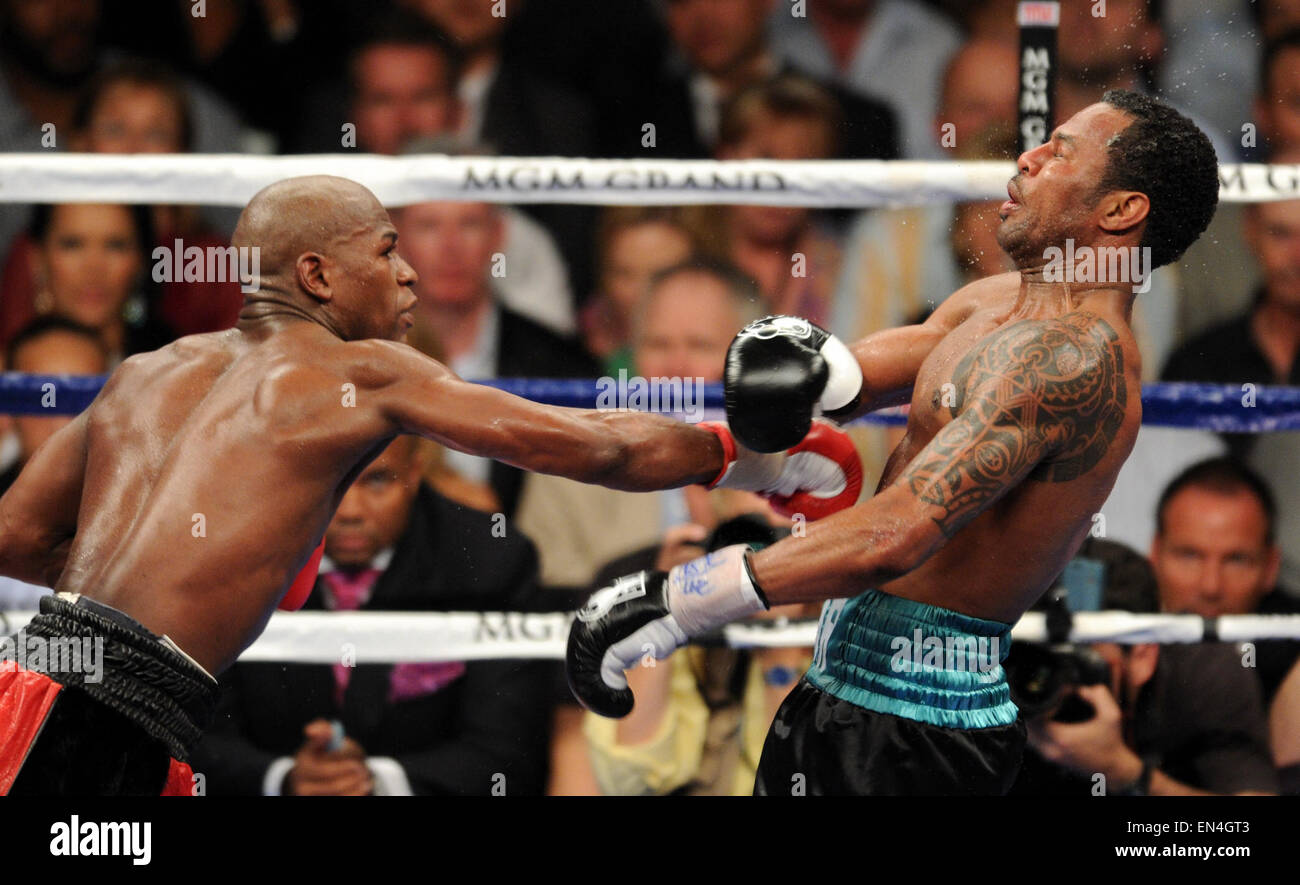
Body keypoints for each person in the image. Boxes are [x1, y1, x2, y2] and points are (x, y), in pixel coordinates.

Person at [0, 174, 859, 795]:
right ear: (316, 276)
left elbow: (15, 535)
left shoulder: (145, 371)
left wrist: (168, 577)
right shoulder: (365, 371)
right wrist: (756, 457)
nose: (409, 273)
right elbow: (597, 447)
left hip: (30, 678)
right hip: (110, 719)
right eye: (386, 251)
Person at [567, 89, 1221, 796]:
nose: (1027, 158)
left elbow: (896, 535)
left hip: (919, 730)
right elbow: (847, 381)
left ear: (1121, 211)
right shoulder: (996, 303)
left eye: (1060, 153)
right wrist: (797, 366)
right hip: (841, 686)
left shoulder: (1074, 359)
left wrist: (685, 599)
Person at [190, 436, 554, 796]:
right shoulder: (234, 557)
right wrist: (282, 779)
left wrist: (376, 782)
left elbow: (510, 751)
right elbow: (191, 736)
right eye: (331, 481)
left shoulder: (490, 560)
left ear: (414, 472)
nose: (350, 511)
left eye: (377, 481)